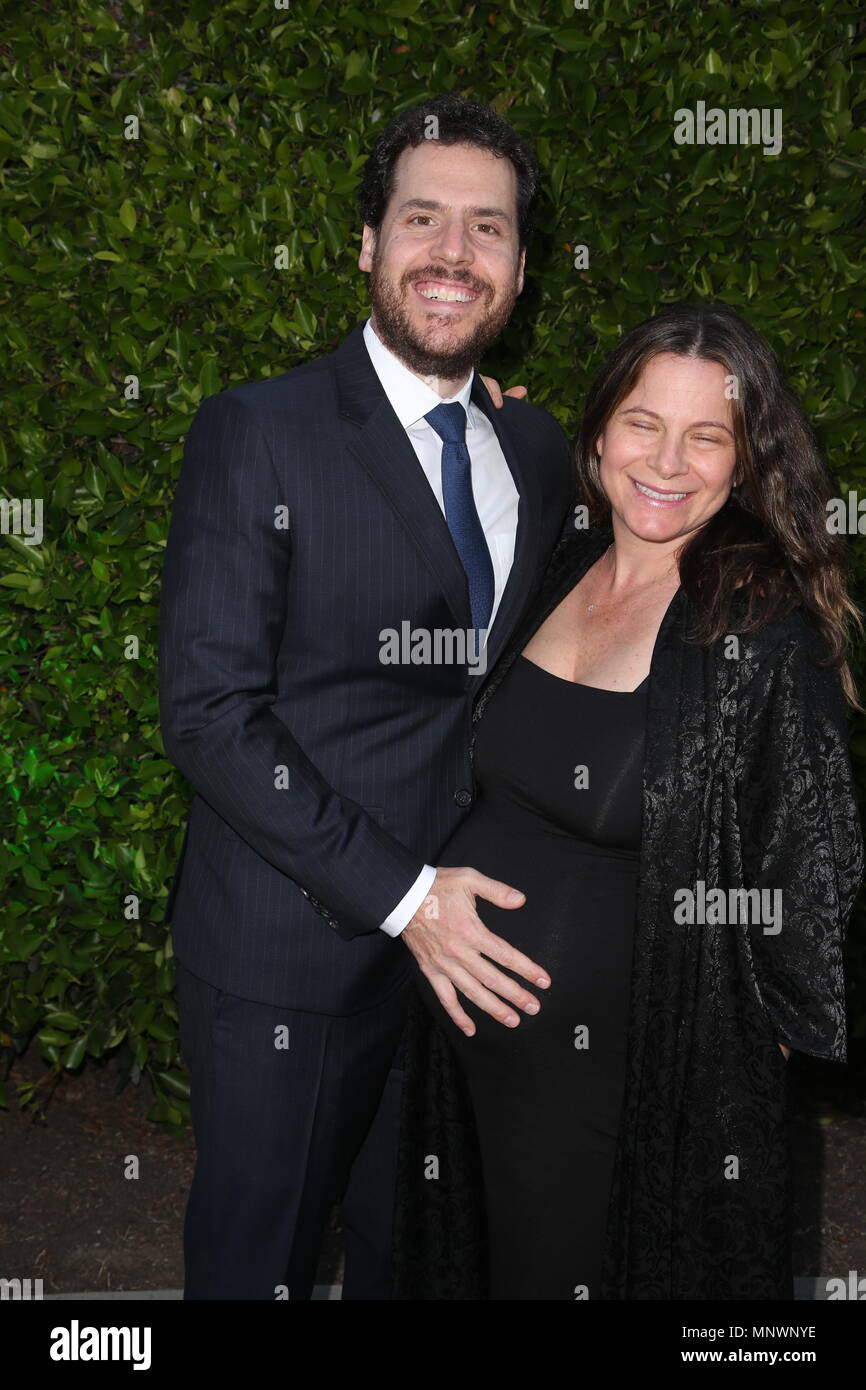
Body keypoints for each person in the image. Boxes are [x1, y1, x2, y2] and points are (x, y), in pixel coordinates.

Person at [157, 94, 575, 1299]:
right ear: (366, 243)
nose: (452, 254)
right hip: (289, 946)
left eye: (486, 228)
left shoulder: (534, 451)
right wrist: (403, 898)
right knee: (260, 1263)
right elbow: (209, 713)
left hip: (463, 960)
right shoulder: (258, 431)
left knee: (419, 1257)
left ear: (519, 266)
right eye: (421, 219)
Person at [393, 301, 864, 1300]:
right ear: (599, 429)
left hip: (626, 1080)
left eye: (707, 437)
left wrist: (729, 1072)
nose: (666, 461)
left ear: (743, 462)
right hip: (473, 1058)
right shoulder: (557, 562)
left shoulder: (755, 624)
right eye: (643, 423)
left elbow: (814, 859)